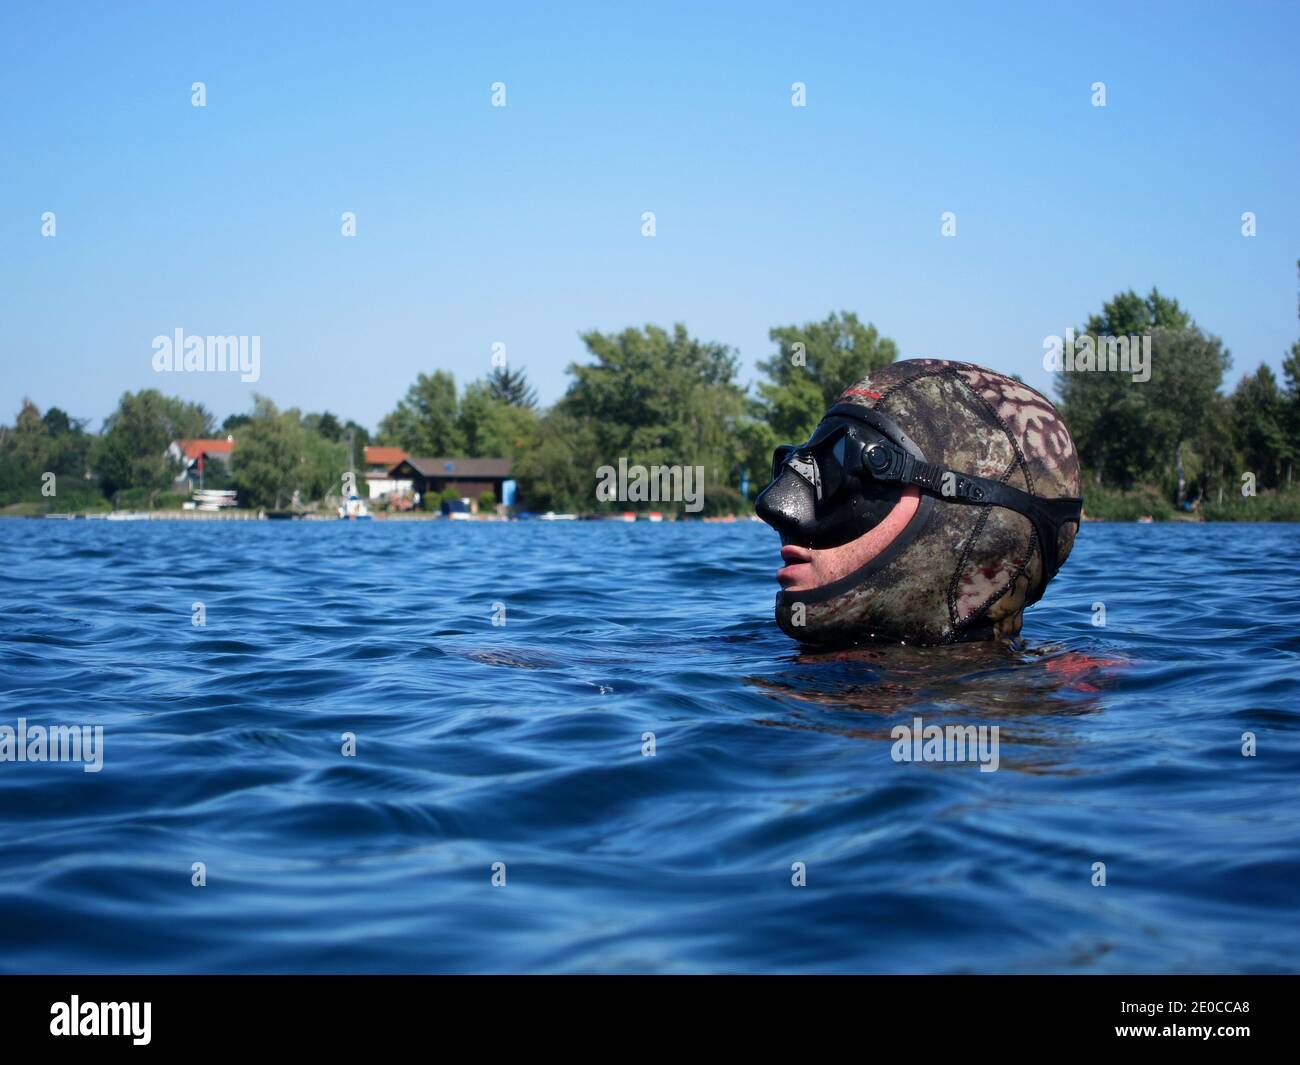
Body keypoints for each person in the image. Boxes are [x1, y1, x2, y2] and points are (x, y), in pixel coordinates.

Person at [755, 359, 1082, 646]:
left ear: (965, 519)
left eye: (842, 470)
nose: (775, 506)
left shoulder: (1062, 693)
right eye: (794, 463)